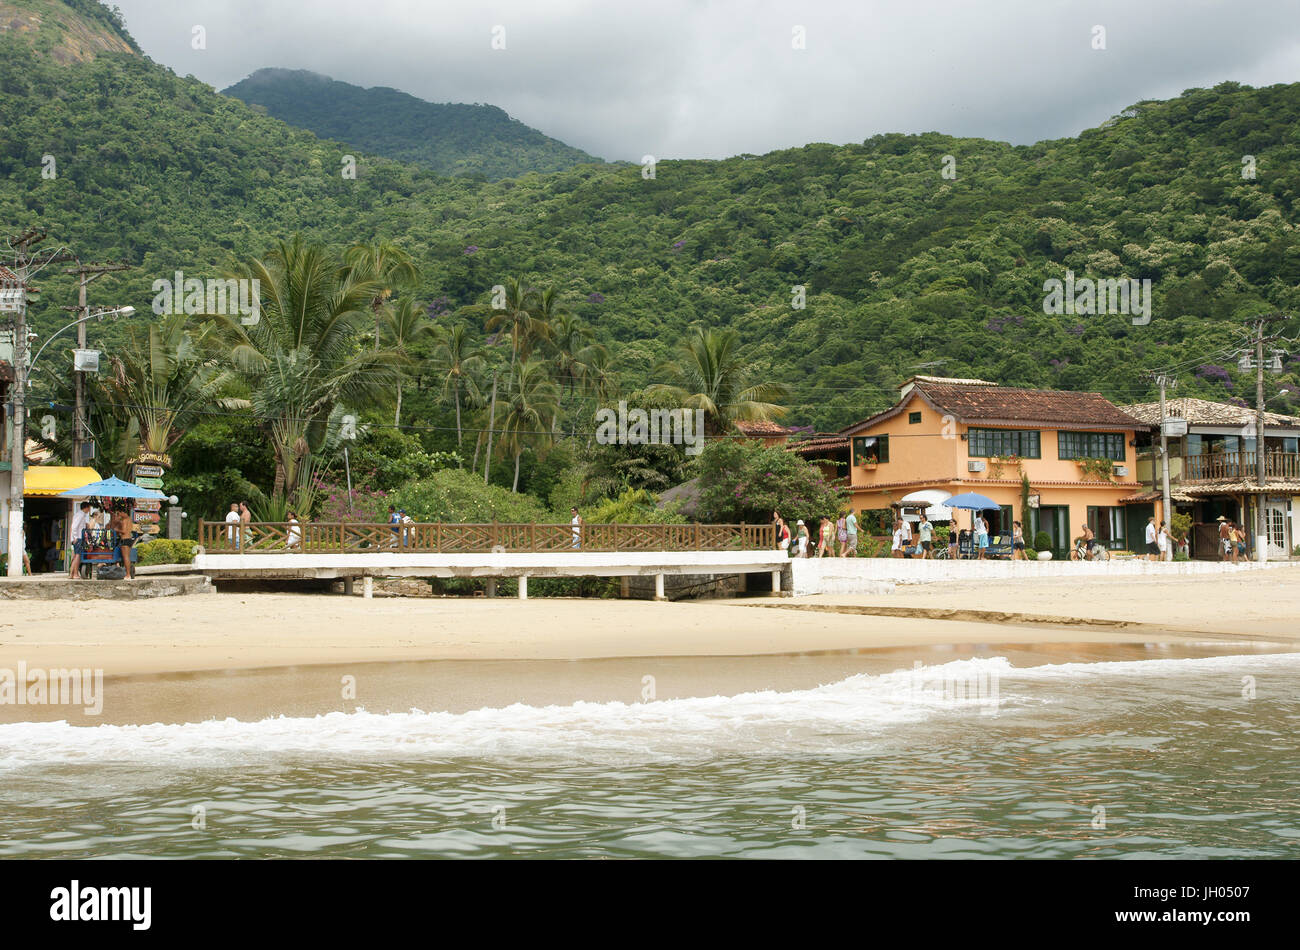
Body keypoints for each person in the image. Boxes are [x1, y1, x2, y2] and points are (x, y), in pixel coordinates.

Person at [110, 504, 137, 580]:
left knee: (126, 558)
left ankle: (128, 574)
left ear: (123, 512)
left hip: (125, 540)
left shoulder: (125, 520)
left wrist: (116, 530)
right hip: (129, 539)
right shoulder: (129, 519)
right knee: (126, 557)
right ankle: (128, 574)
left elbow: (124, 531)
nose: (119, 515)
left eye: (119, 513)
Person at [68, 501, 91, 579]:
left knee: (76, 556)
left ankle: (71, 574)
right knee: (78, 555)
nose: (89, 510)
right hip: (78, 538)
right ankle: (75, 574)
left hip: (78, 537)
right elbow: (74, 526)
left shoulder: (81, 515)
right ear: (86, 507)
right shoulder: (80, 515)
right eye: (89, 508)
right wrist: (74, 537)